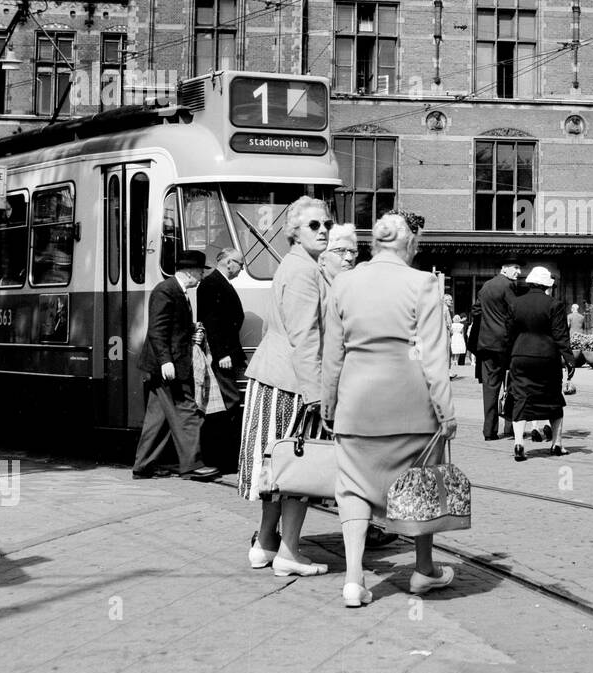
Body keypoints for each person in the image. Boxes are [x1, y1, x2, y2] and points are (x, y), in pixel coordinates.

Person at [321, 213, 458, 608]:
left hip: (356, 405)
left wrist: (329, 402)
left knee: (352, 488)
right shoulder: (422, 283)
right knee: (418, 483)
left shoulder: (344, 283)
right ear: (408, 245)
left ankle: (352, 579)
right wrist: (446, 412)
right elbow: (433, 355)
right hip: (411, 405)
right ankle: (423, 569)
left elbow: (334, 353)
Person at [237, 196, 332, 577]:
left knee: (276, 470)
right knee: (297, 469)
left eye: (326, 223)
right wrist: (317, 394)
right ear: (294, 232)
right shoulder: (304, 271)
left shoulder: (294, 266)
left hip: (275, 376)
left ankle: (264, 543)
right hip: (293, 383)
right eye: (314, 225)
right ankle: (290, 551)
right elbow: (305, 337)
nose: (323, 229)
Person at [132, 250, 220, 481]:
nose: (202, 277)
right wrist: (166, 361)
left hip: (169, 363)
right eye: (201, 272)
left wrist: (192, 330)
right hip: (168, 366)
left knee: (158, 419)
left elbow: (171, 328)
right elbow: (157, 330)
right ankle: (192, 465)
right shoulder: (166, 291)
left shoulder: (177, 291)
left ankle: (143, 466)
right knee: (186, 411)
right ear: (190, 272)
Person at [507, 265, 574, 460]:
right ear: (547, 285)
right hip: (547, 357)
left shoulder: (515, 304)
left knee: (520, 397)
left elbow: (509, 335)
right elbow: (561, 336)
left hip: (520, 356)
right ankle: (556, 444)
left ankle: (519, 443)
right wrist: (569, 360)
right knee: (553, 400)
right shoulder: (555, 305)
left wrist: (508, 359)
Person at [195, 245, 247, 473]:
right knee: (229, 402)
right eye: (240, 264)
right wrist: (222, 353)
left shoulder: (217, 282)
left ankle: (226, 457)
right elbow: (213, 322)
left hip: (227, 353)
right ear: (229, 262)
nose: (241, 270)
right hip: (222, 355)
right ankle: (225, 458)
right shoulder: (212, 283)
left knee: (229, 403)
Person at [471, 261, 522, 440]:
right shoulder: (508, 286)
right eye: (515, 267)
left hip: (485, 343)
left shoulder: (486, 286)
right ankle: (510, 426)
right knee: (512, 384)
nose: (518, 271)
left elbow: (476, 311)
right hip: (504, 343)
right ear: (504, 268)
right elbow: (515, 312)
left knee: (490, 387)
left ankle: (489, 430)